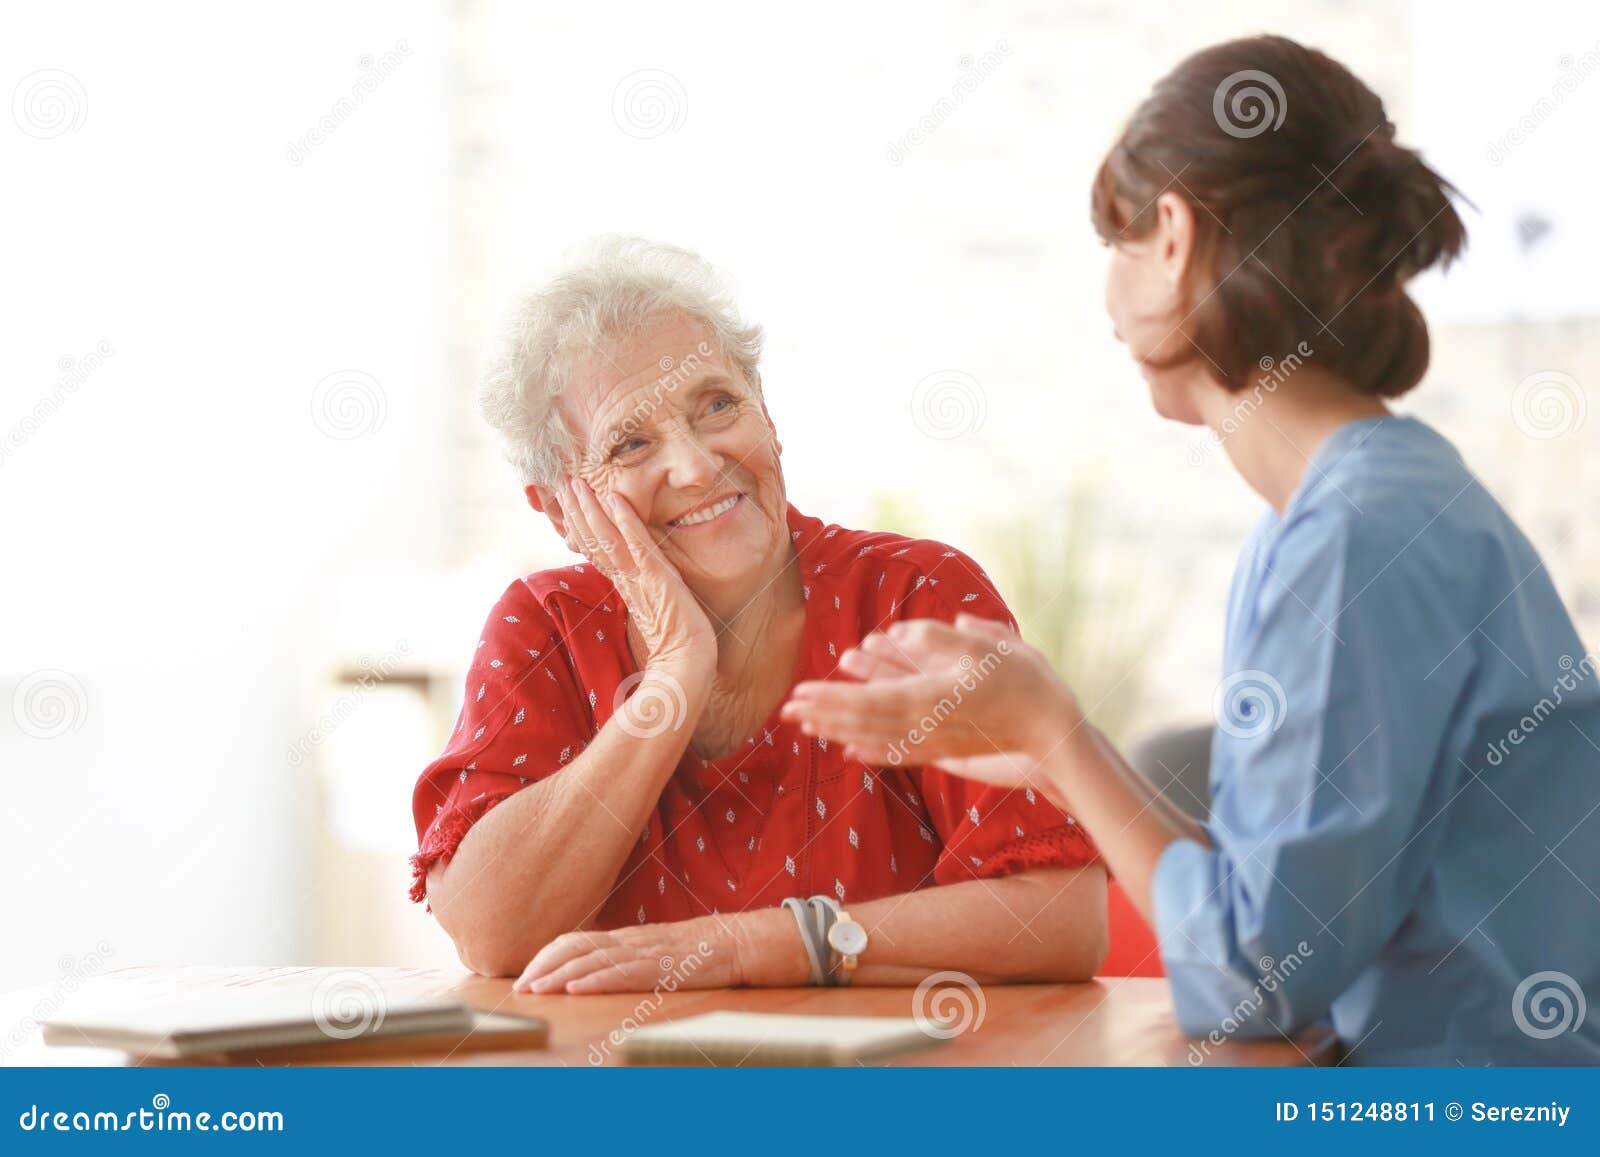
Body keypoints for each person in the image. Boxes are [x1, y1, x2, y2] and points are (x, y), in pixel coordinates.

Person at [783, 35, 1600, 1064]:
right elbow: (1292, 911)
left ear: (1173, 235)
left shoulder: (1353, 537)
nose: (1110, 300)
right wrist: (1047, 757)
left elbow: (1252, 979)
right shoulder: (1359, 503)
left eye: (1116, 245)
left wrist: (1060, 735)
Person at [409, 236, 1108, 992]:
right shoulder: (544, 629)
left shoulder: (913, 596)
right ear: (558, 509)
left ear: (766, 413)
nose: (697, 464)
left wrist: (761, 943)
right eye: (631, 443)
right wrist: (676, 672)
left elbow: (1062, 917)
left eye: (716, 404)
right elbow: (489, 931)